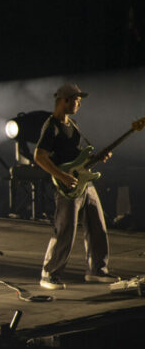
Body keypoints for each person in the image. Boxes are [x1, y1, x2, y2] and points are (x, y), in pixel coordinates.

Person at [33, 83, 118, 289]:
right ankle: (49, 273)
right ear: (65, 101)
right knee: (65, 230)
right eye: (77, 99)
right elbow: (39, 156)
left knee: (98, 225)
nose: (79, 103)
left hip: (84, 183)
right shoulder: (51, 125)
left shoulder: (74, 125)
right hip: (66, 186)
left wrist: (97, 158)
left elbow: (77, 158)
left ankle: (97, 270)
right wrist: (61, 176)